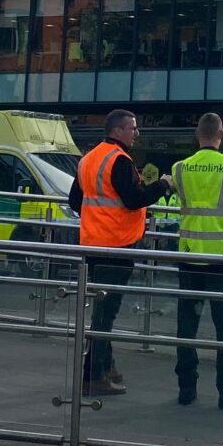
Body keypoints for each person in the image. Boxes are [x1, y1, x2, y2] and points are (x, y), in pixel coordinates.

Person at [68, 110, 162, 397]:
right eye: (133, 128)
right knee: (105, 314)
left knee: (101, 310)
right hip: (117, 246)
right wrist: (162, 186)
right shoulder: (119, 161)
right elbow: (135, 200)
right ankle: (93, 374)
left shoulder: (89, 159)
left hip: (93, 245)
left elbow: (75, 201)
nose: (136, 133)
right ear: (118, 130)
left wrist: (98, 219)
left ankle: (105, 366)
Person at [171, 111, 223, 411]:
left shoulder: (180, 168)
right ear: (221, 134)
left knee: (186, 325)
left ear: (197, 135)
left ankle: (186, 389)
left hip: (190, 255)